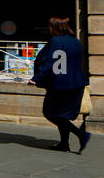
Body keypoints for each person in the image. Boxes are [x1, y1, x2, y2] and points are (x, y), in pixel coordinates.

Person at [30, 17, 91, 152]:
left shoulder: (55, 41)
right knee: (62, 115)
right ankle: (64, 144)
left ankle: (82, 134)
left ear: (56, 27)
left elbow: (49, 61)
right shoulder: (75, 41)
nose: (48, 28)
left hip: (60, 85)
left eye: (50, 26)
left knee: (50, 112)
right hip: (76, 83)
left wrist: (36, 78)